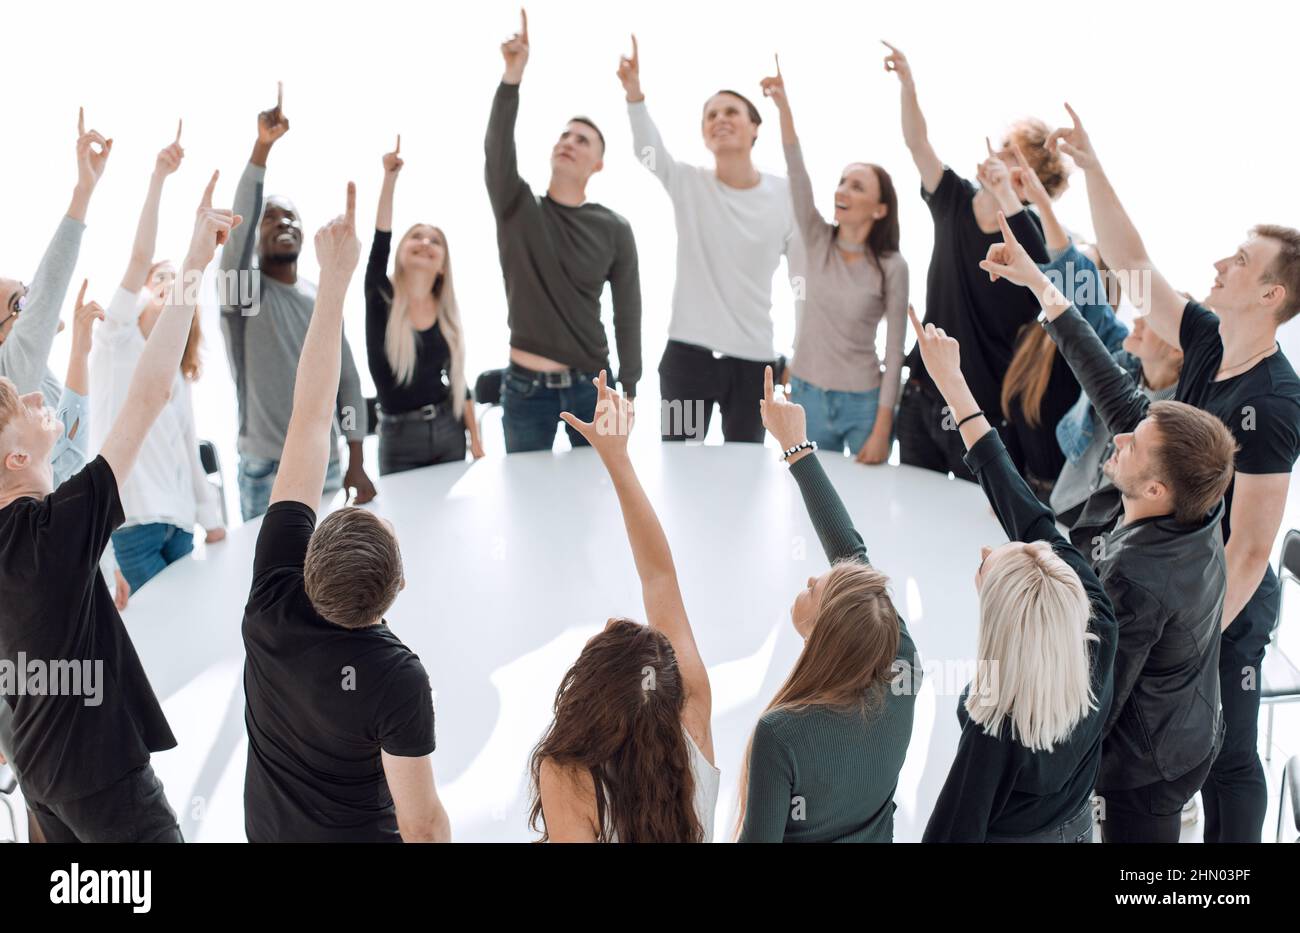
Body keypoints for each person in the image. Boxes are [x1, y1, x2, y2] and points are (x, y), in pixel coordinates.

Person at [1051, 103, 1300, 842]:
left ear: (1270, 297)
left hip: (1222, 603)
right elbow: (1134, 266)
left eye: (1241, 261)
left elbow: (1251, 548)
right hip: (1172, 583)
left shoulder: (1276, 401)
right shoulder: (1205, 336)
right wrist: (1093, 168)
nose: (1221, 263)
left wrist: (1195, 635)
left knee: (1225, 752)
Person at [980, 212, 1237, 841]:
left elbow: (1097, 702)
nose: (1116, 437)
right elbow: (1104, 374)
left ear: (1154, 490)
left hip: (1153, 767)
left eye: (1131, 446)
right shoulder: (1197, 493)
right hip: (1190, 722)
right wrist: (1039, 284)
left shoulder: (1137, 579)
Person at [0, 169, 240, 842]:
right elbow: (149, 389)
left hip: (43, 780)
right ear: (17, 457)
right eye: (22, 408)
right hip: (101, 778)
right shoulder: (56, 525)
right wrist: (193, 263)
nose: (38, 397)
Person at [241, 183, 449, 843]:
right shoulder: (396, 675)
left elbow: (307, 424)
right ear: (399, 589)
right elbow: (422, 823)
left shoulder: (272, 597)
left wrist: (333, 282)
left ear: (306, 560)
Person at [909, 306, 1117, 843]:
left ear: (1002, 624)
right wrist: (953, 382)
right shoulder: (1097, 621)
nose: (986, 548)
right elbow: (1020, 503)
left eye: (990, 567)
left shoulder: (995, 722)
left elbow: (954, 833)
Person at [528, 371, 718, 841]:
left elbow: (657, 579)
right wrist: (619, 461)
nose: (614, 619)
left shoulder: (567, 776)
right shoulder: (692, 714)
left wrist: (615, 458)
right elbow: (659, 576)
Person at [735, 366, 920, 842]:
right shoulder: (901, 663)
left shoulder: (782, 735)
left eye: (819, 589)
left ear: (826, 634)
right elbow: (849, 553)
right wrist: (796, 446)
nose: (814, 576)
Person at [881, 43, 1056, 479]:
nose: (1002, 160)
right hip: (922, 391)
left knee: (968, 525)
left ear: (1034, 184)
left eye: (1019, 161)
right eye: (1005, 149)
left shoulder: (1031, 232)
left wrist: (1010, 198)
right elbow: (917, 143)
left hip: (977, 406)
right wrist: (908, 84)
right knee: (915, 510)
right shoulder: (953, 198)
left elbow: (1044, 278)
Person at [619, 35, 794, 443]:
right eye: (711, 114)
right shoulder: (689, 183)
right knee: (681, 469)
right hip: (688, 360)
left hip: (755, 365)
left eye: (731, 111)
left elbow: (807, 275)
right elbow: (649, 152)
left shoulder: (785, 194)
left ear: (754, 128)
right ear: (703, 134)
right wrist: (634, 95)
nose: (720, 119)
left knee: (746, 471)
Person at [487, 10, 642, 454]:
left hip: (592, 390)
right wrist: (512, 77)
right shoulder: (517, 207)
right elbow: (496, 148)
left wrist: (628, 386)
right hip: (523, 391)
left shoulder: (614, 227)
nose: (568, 142)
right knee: (529, 505)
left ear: (598, 164)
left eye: (582, 140)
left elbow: (627, 310)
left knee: (596, 504)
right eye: (564, 135)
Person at [219, 83, 374, 519]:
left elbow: (348, 381)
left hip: (327, 466)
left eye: (290, 216)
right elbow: (237, 237)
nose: (282, 222)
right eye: (271, 217)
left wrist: (356, 459)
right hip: (264, 467)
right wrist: (260, 151)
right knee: (272, 582)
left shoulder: (319, 297)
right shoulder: (243, 297)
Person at [90, 123, 225, 598]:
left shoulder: (178, 374)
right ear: (146, 288)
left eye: (179, 280)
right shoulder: (116, 341)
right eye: (161, 278)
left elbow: (189, 449)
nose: (172, 284)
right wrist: (159, 177)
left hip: (180, 523)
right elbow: (140, 255)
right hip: (134, 524)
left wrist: (211, 518)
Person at [759, 58, 908, 463]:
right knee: (811, 506)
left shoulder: (892, 266)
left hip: (864, 404)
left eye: (857, 186)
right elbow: (797, 172)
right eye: (842, 181)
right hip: (805, 395)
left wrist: (882, 427)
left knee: (862, 510)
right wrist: (783, 108)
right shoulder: (816, 236)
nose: (842, 190)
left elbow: (895, 352)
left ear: (879, 209)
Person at [368, 136, 483, 474]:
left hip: (449, 431)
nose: (424, 243)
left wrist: (475, 439)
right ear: (402, 251)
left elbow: (461, 382)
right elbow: (380, 239)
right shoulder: (380, 296)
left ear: (443, 264)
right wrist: (390, 178)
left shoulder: (447, 313)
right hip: (398, 437)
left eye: (434, 241)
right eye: (416, 236)